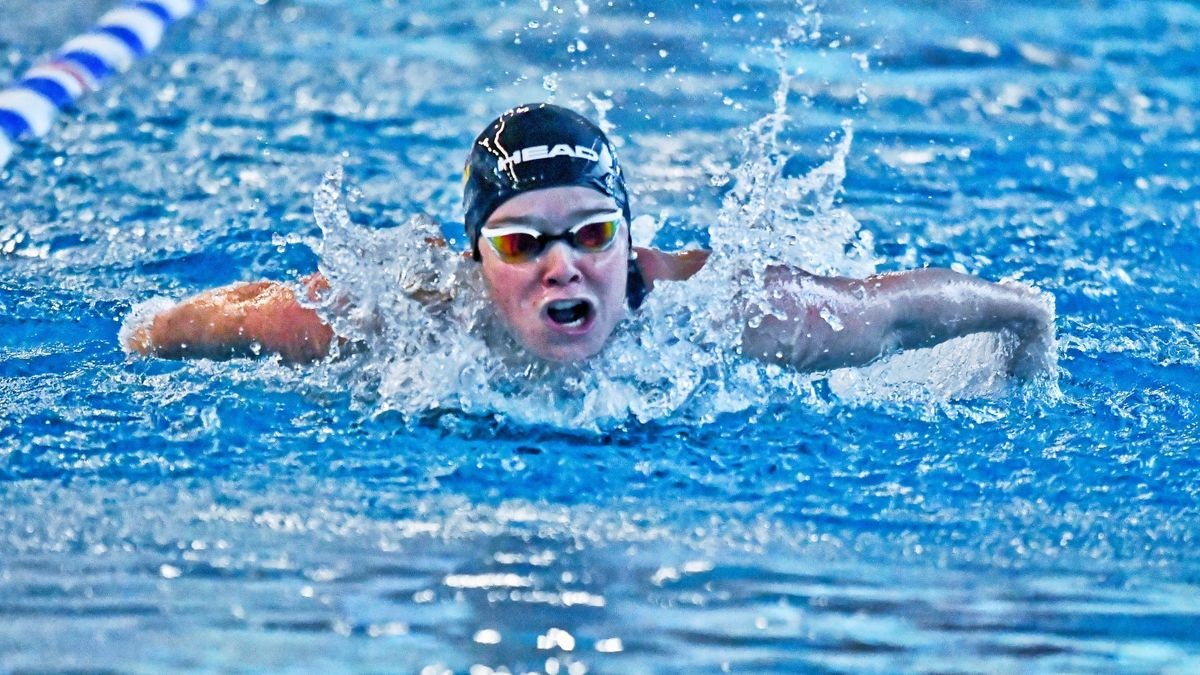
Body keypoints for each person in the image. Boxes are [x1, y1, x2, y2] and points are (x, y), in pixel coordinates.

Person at [123, 103, 1054, 378]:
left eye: (594, 234)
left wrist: (1031, 325)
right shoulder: (403, 320)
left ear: (629, 242)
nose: (565, 263)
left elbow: (893, 309)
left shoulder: (719, 313)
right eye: (524, 242)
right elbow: (232, 315)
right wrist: (150, 330)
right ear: (477, 260)